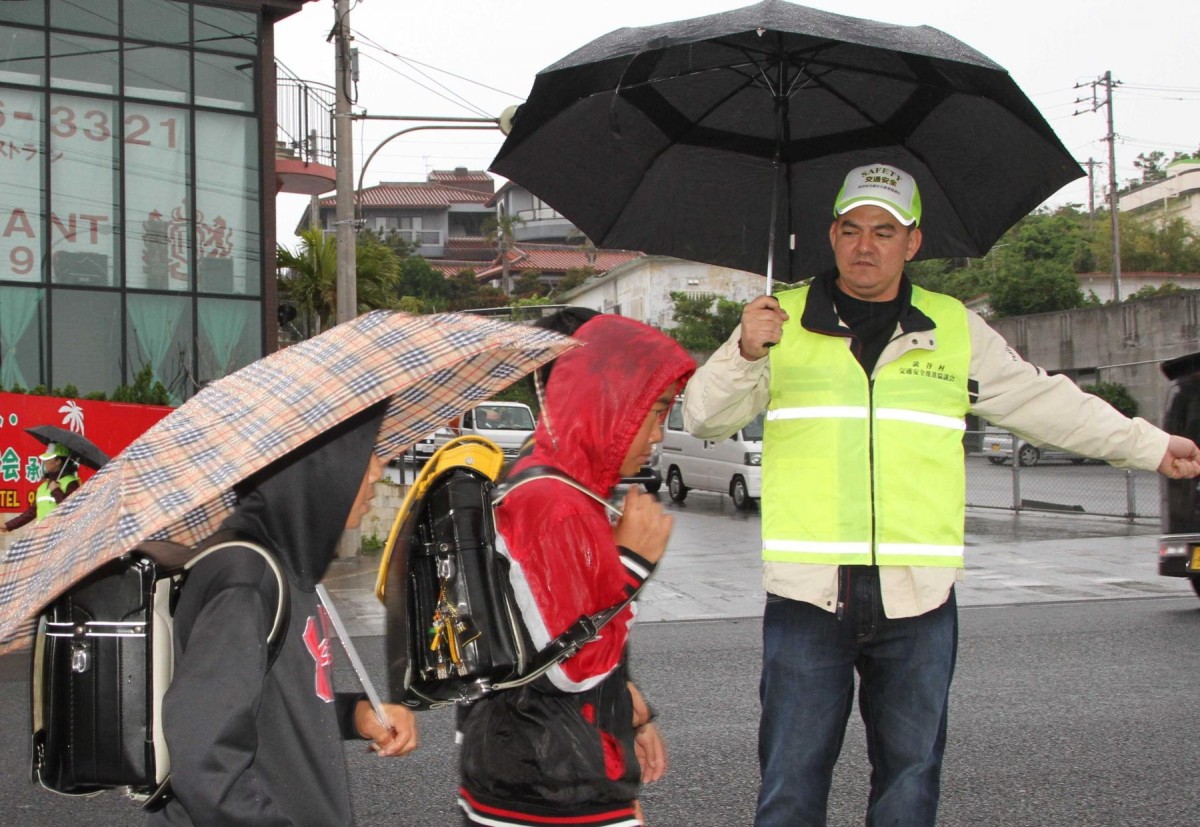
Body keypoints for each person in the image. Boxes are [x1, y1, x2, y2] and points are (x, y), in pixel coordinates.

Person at [682, 163, 1200, 827]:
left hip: (919, 596)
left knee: (910, 783)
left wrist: (1150, 445)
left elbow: (1044, 402)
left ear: (912, 242)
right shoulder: (777, 323)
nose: (865, 244)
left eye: (885, 230)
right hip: (808, 596)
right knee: (789, 786)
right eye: (852, 228)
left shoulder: (954, 328)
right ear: (831, 234)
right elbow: (702, 416)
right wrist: (745, 352)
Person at [457, 314, 695, 827]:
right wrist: (631, 563)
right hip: (548, 781)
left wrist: (629, 717)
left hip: (551, 764)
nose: (658, 432)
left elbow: (565, 638)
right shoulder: (553, 501)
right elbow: (572, 665)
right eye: (652, 411)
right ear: (606, 403)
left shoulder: (570, 488)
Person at [148, 402, 419, 827]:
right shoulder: (246, 579)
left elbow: (270, 708)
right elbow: (204, 760)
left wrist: (356, 714)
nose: (376, 473)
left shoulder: (289, 566)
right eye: (362, 451)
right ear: (314, 466)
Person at [1, 443, 80, 533]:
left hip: (61, 536)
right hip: (41, 538)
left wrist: (56, 491)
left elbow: (73, 509)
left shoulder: (71, 483)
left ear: (58, 461)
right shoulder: (43, 487)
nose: (44, 462)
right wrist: (8, 525)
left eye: (48, 459)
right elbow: (32, 512)